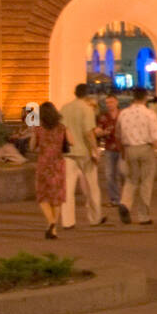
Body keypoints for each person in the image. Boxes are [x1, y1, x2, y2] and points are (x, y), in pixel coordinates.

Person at [117, 86, 157, 225]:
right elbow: (156, 137)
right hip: (146, 149)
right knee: (146, 182)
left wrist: (123, 151)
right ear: (145, 98)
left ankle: (125, 204)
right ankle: (143, 215)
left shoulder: (123, 113)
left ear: (133, 98)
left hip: (130, 149)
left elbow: (119, 134)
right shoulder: (149, 114)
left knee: (131, 179)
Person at [61, 83, 105, 228]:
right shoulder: (87, 109)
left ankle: (68, 221)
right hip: (84, 152)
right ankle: (95, 217)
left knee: (68, 186)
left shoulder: (65, 108)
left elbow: (62, 129)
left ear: (75, 93)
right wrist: (95, 150)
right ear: (87, 94)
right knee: (92, 185)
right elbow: (89, 132)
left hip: (68, 152)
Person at [29, 101, 67, 239]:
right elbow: (71, 142)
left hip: (44, 164)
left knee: (43, 196)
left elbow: (32, 146)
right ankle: (53, 228)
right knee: (56, 198)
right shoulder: (62, 128)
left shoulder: (38, 128)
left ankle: (51, 223)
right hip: (58, 164)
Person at [95, 93, 124, 207]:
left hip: (122, 148)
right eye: (107, 103)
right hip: (109, 148)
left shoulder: (123, 114)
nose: (109, 105)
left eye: (111, 102)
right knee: (109, 174)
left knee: (123, 173)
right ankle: (115, 199)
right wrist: (101, 132)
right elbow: (98, 130)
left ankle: (125, 197)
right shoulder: (103, 117)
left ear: (116, 102)